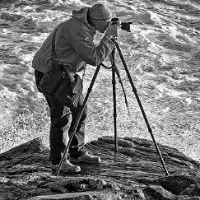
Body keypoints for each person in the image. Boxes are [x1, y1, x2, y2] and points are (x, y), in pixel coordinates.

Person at [32, 3, 118, 173]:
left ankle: (76, 152)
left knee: (80, 110)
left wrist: (107, 36)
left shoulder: (87, 23)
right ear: (96, 21)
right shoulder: (76, 29)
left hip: (67, 73)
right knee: (62, 116)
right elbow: (93, 58)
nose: (108, 26)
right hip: (52, 73)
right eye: (106, 23)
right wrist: (108, 38)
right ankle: (58, 161)